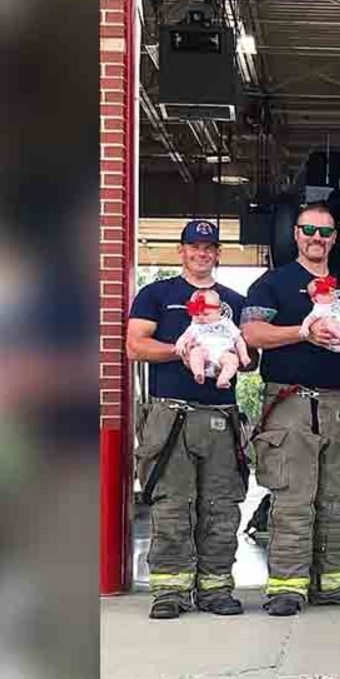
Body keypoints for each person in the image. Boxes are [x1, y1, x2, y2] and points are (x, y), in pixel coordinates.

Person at [241, 204, 340, 617]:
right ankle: (287, 587)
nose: (317, 238)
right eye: (309, 230)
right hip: (290, 403)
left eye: (325, 232)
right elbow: (252, 333)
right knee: (294, 497)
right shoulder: (273, 283)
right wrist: (302, 331)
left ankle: (335, 583)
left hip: (339, 402)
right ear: (296, 235)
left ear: (334, 239)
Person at [125, 219, 250, 620]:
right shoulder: (156, 294)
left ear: (217, 253)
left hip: (220, 416)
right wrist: (180, 352)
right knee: (172, 503)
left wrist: (231, 358)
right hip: (171, 414)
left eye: (209, 247)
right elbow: (135, 346)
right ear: (180, 251)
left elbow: (252, 358)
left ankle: (216, 588)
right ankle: (170, 591)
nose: (202, 253)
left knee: (221, 505)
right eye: (194, 247)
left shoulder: (233, 299)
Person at [174, 288, 252, 389]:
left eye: (206, 314)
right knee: (196, 352)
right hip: (205, 353)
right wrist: (179, 344)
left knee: (232, 360)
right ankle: (198, 373)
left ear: (219, 311)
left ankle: (223, 379)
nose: (201, 317)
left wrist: (243, 355)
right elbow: (184, 337)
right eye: (196, 314)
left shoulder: (227, 323)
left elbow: (238, 340)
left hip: (224, 353)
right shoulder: (195, 326)